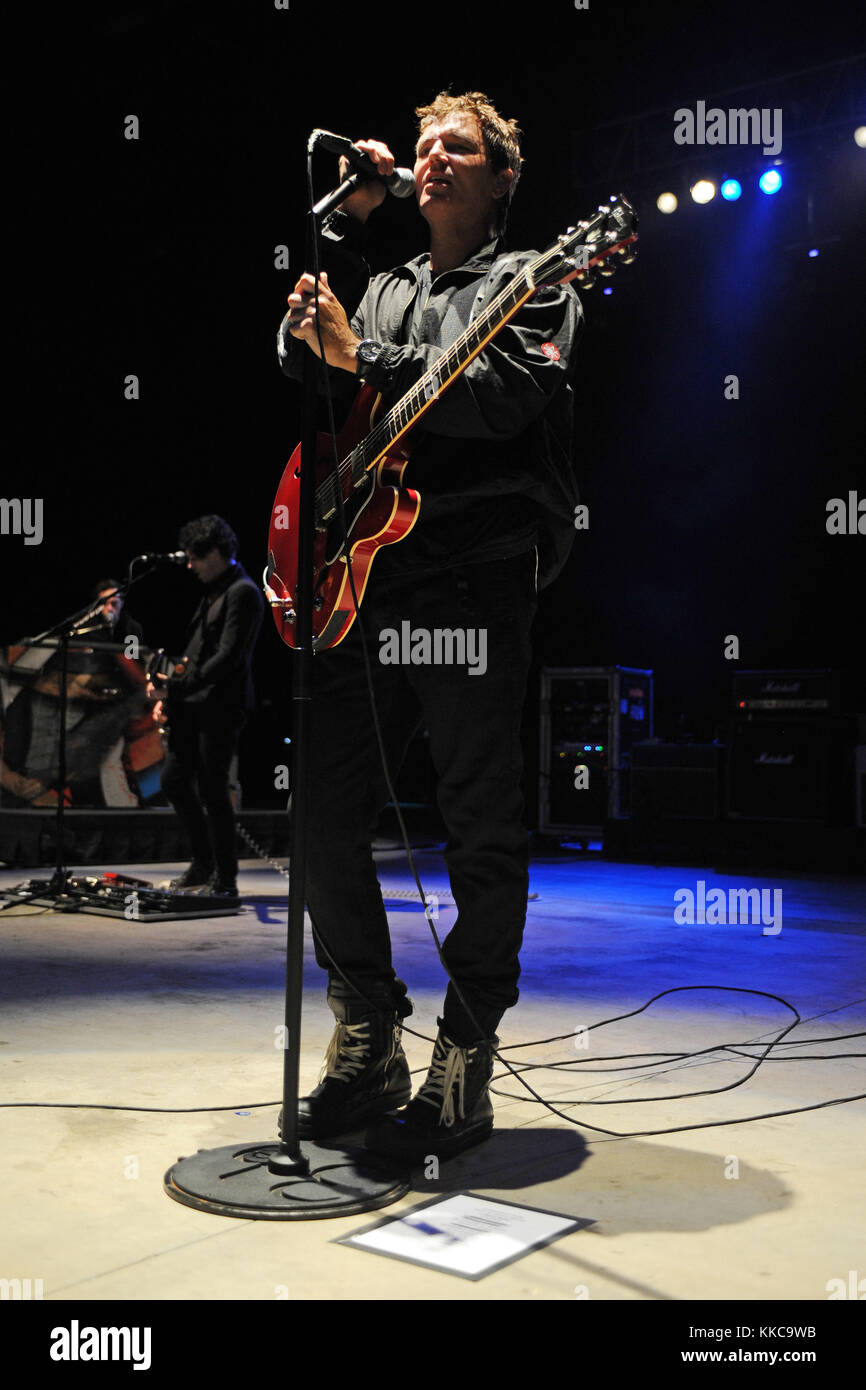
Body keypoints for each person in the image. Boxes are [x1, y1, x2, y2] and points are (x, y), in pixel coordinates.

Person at [276, 91, 583, 1161]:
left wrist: (369, 359)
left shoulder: (531, 279)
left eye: (456, 146)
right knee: (319, 811)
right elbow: (317, 389)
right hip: (371, 581)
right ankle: (367, 1030)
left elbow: (501, 399)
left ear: (500, 175)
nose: (430, 158)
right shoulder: (388, 283)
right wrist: (316, 316)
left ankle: (462, 1053)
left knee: (477, 827)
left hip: (473, 581)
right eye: (420, 148)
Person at [152, 516, 264, 899]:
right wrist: (172, 693)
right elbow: (199, 656)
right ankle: (203, 865)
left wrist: (178, 686)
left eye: (194, 558)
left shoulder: (243, 592)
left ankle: (225, 879)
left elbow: (230, 657)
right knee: (173, 781)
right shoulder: (214, 592)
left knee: (214, 790)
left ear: (215, 553)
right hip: (194, 705)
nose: (189, 565)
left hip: (221, 707)